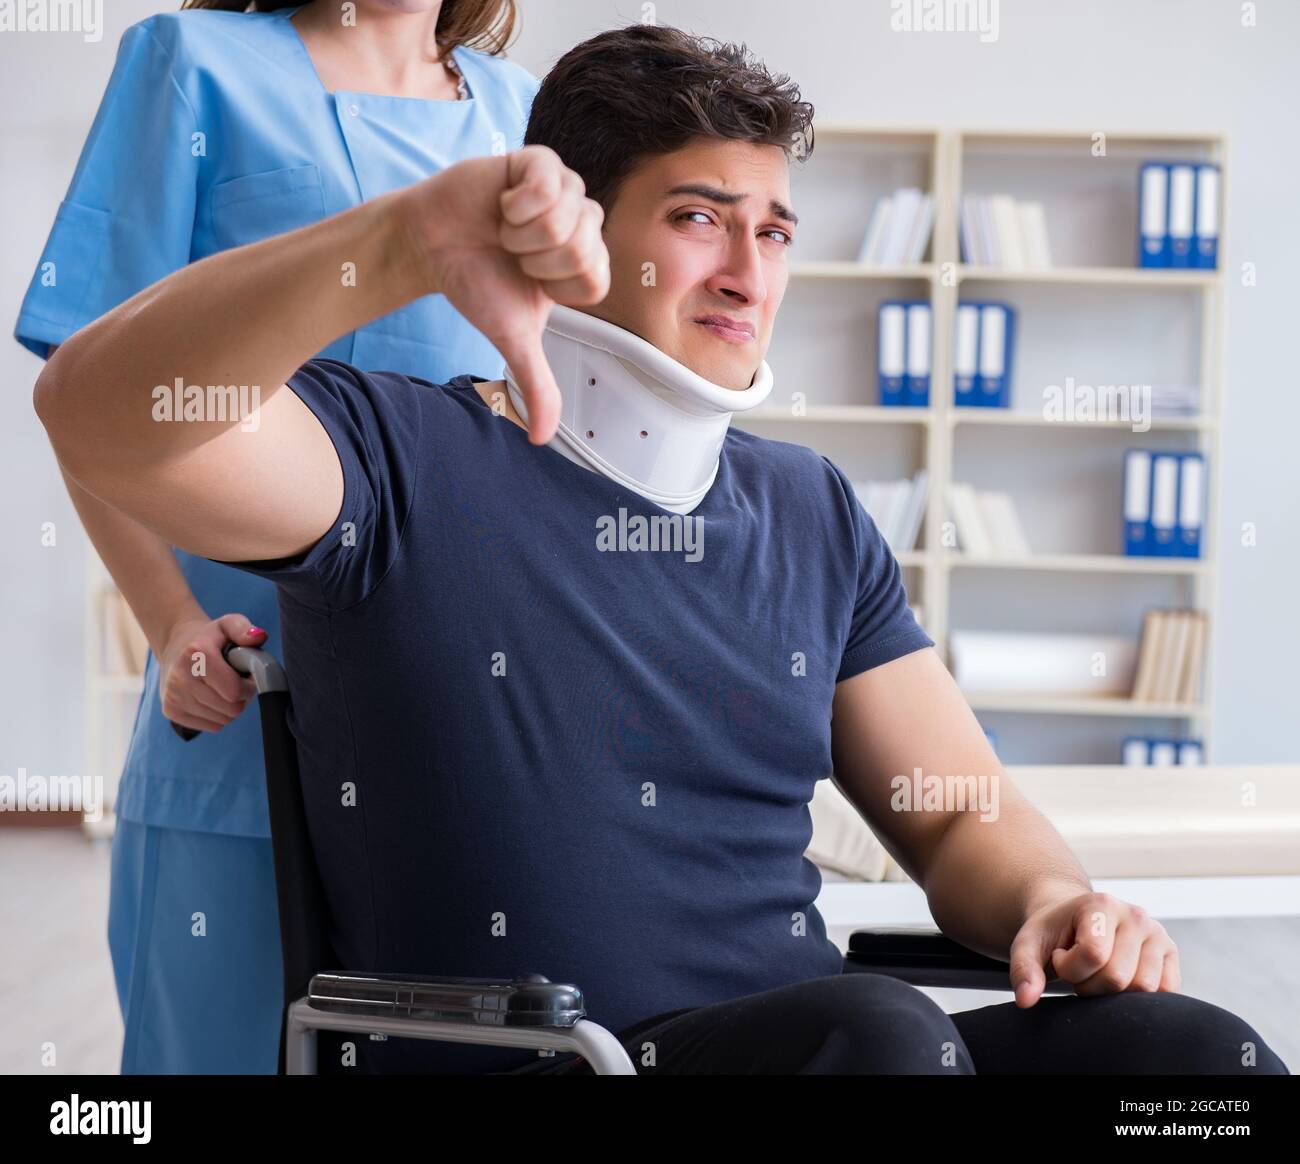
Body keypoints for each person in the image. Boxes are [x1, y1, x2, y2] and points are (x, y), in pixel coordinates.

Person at [33, 24, 1288, 1076]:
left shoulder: (809, 511)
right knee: (882, 1038)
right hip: (556, 1057)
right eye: (700, 219)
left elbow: (956, 818)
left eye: (777, 231)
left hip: (815, 1044)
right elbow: (91, 409)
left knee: (1191, 1056)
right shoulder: (396, 459)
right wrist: (402, 245)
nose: (749, 271)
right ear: (569, 236)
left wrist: (1054, 903)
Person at [14, 0, 538, 1073]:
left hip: (464, 733)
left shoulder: (523, 113)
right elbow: (95, 397)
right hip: (246, 705)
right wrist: (173, 627)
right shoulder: (191, 63)